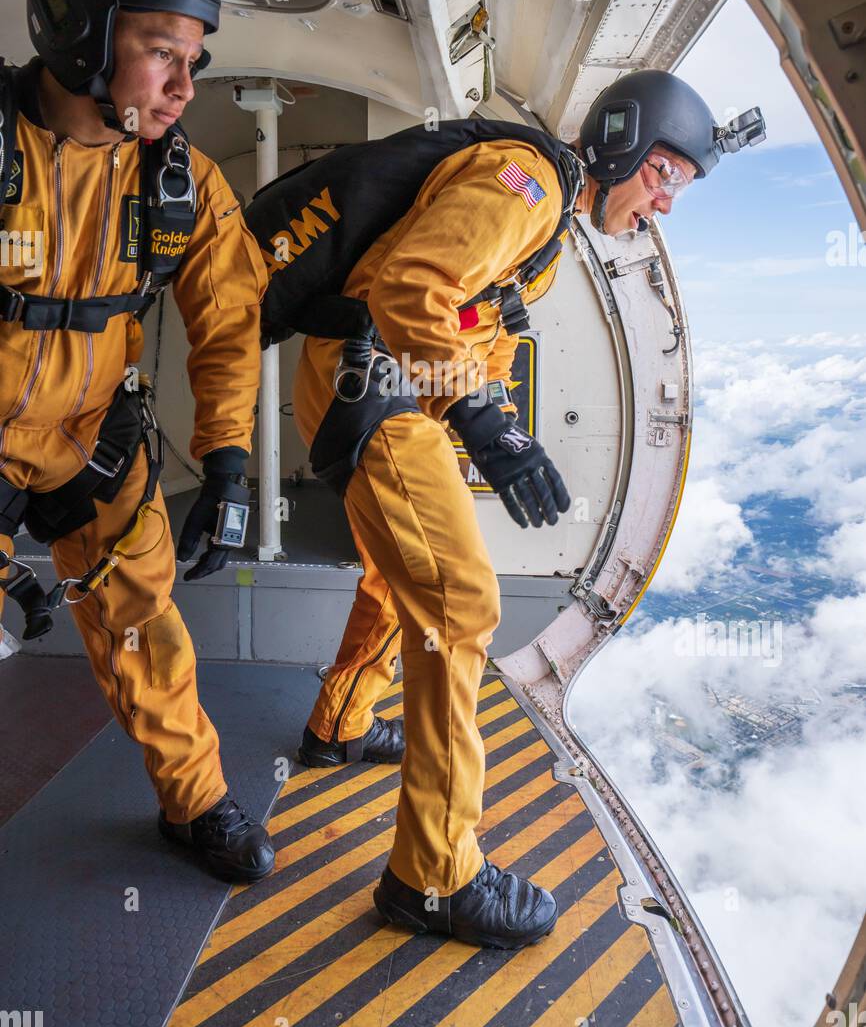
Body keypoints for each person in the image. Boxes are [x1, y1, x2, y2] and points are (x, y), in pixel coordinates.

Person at [253, 71, 764, 949]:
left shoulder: (551, 216)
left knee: (399, 571)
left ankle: (338, 723)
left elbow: (470, 319)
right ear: (624, 146)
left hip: (382, 387)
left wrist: (499, 424)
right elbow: (411, 289)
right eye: (666, 176)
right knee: (461, 605)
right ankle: (434, 879)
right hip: (372, 388)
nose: (665, 204)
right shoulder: (526, 187)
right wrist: (484, 421)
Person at [0, 0, 275, 883]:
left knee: (145, 625)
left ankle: (194, 800)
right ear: (78, 30)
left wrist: (231, 466)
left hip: (92, 439)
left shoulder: (181, 184)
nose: (181, 88)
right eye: (161, 51)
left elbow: (228, 323)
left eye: (191, 63)